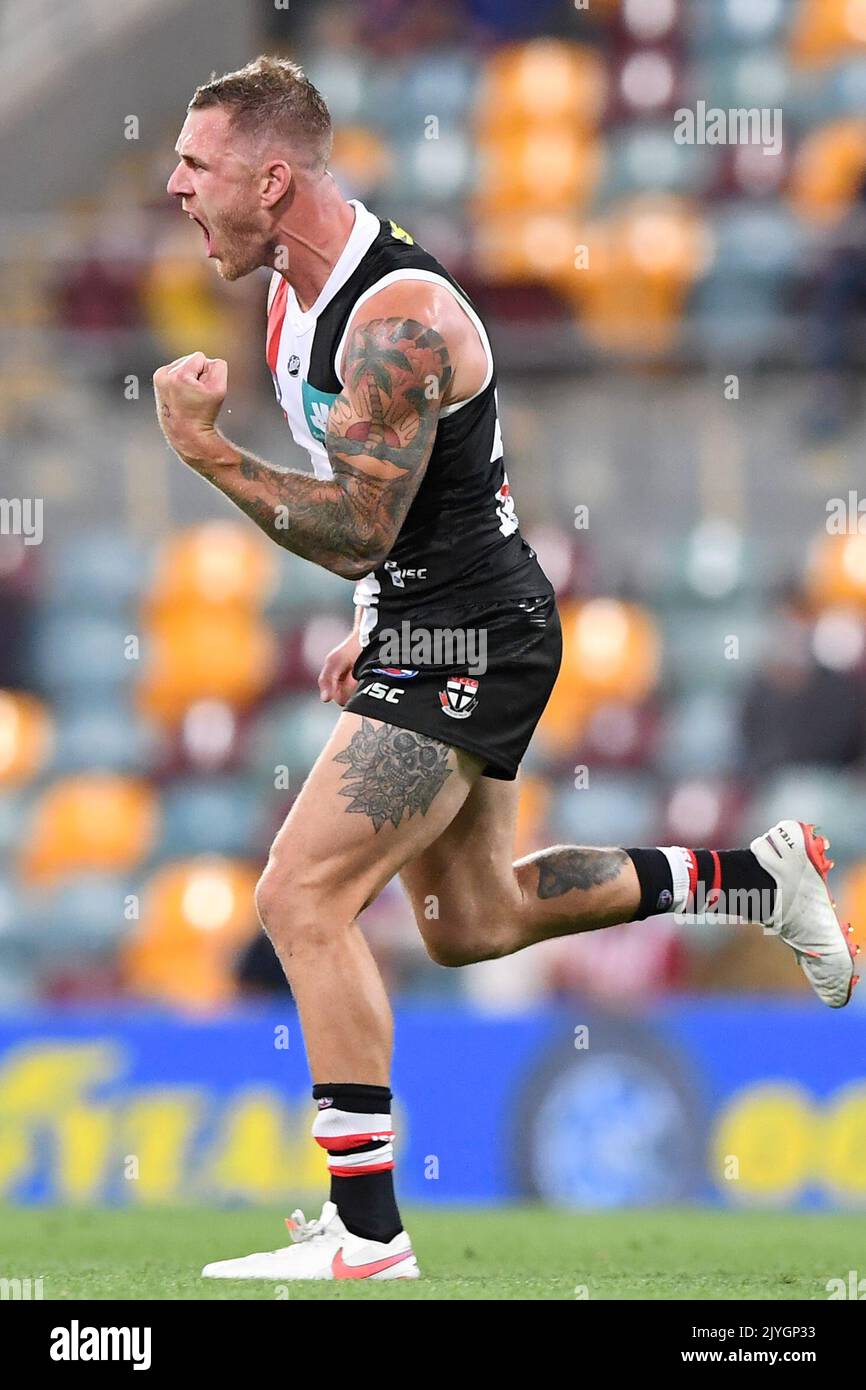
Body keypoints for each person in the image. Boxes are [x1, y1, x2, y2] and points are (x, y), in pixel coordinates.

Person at [153, 56, 859, 1282]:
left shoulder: (398, 319)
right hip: (436, 624)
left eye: (194, 164)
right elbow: (395, 520)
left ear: (270, 179)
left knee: (297, 898)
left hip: (470, 635)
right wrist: (376, 623)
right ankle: (753, 875)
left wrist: (206, 452)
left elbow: (363, 522)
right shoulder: (285, 299)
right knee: (472, 921)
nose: (172, 187)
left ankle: (366, 1234)